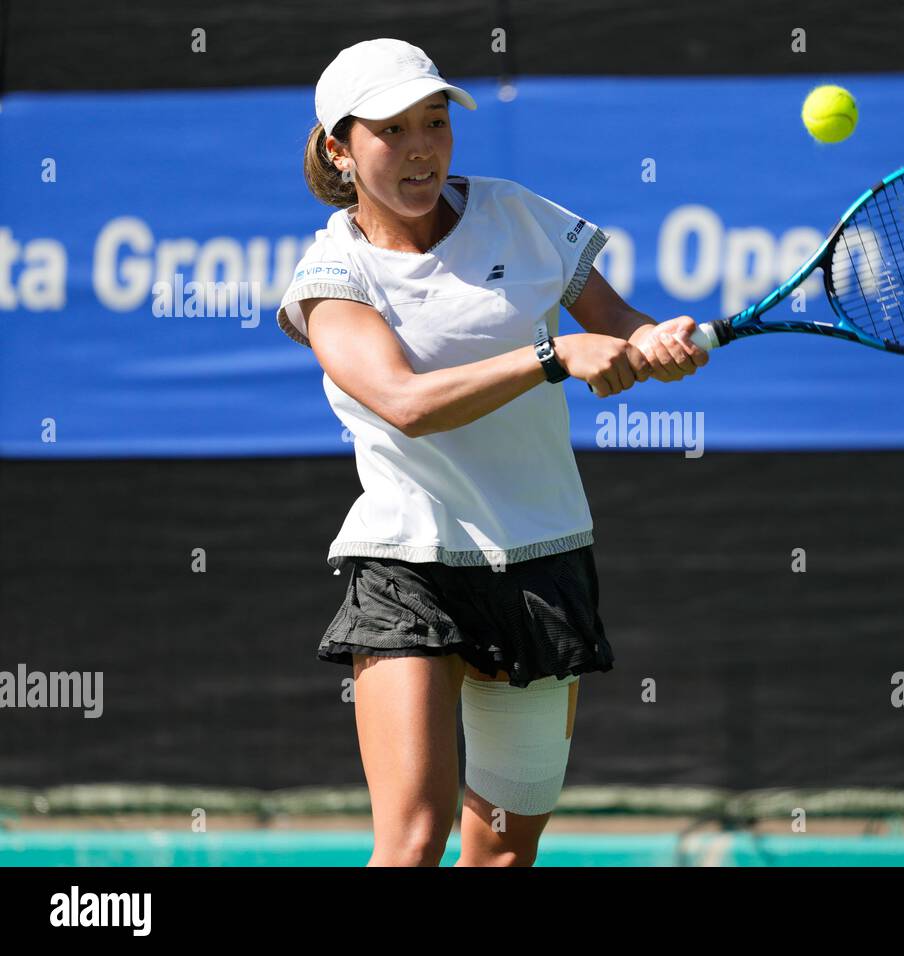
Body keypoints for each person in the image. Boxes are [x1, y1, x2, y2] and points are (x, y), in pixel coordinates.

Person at [275, 38, 707, 866]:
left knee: (502, 854)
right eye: (392, 130)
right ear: (339, 148)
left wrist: (658, 344)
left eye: (434, 123)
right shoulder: (331, 276)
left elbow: (618, 324)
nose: (421, 148)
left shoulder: (516, 212)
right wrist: (552, 357)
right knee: (410, 841)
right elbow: (404, 404)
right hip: (407, 562)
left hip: (541, 561)